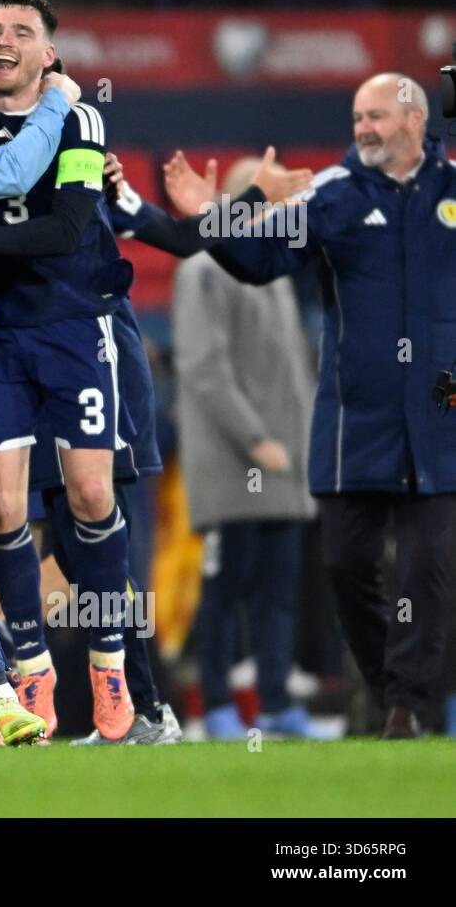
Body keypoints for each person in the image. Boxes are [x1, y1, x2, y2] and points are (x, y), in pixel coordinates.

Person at [165, 72, 456, 738]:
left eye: (376, 116)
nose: (362, 129)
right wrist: (216, 216)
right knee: (345, 565)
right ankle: (398, 693)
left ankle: (408, 706)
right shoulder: (333, 195)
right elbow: (260, 258)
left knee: (428, 571)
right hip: (355, 423)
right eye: (356, 117)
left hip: (441, 419)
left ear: (414, 118)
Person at [0, 0, 138, 740]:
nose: (2, 39)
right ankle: (30, 668)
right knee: (0, 510)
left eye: (22, 30)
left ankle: (108, 659)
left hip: (73, 326)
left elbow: (67, 228)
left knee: (89, 493)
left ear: (49, 53)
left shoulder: (79, 118)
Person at [172, 155, 326, 739]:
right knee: (225, 590)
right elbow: (204, 367)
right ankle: (215, 705)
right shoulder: (204, 267)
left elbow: (291, 372)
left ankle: (277, 700)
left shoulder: (276, 272)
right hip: (234, 466)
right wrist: (257, 439)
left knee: (279, 593)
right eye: (271, 198)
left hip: (285, 465)